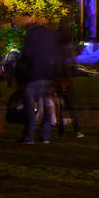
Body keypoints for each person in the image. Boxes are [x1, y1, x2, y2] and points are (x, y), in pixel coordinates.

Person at [16, 16, 59, 145]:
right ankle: (45, 136)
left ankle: (29, 136)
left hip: (33, 74)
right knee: (46, 106)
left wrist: (21, 70)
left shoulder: (31, 35)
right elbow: (54, 53)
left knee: (30, 107)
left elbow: (26, 54)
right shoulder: (49, 35)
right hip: (47, 74)